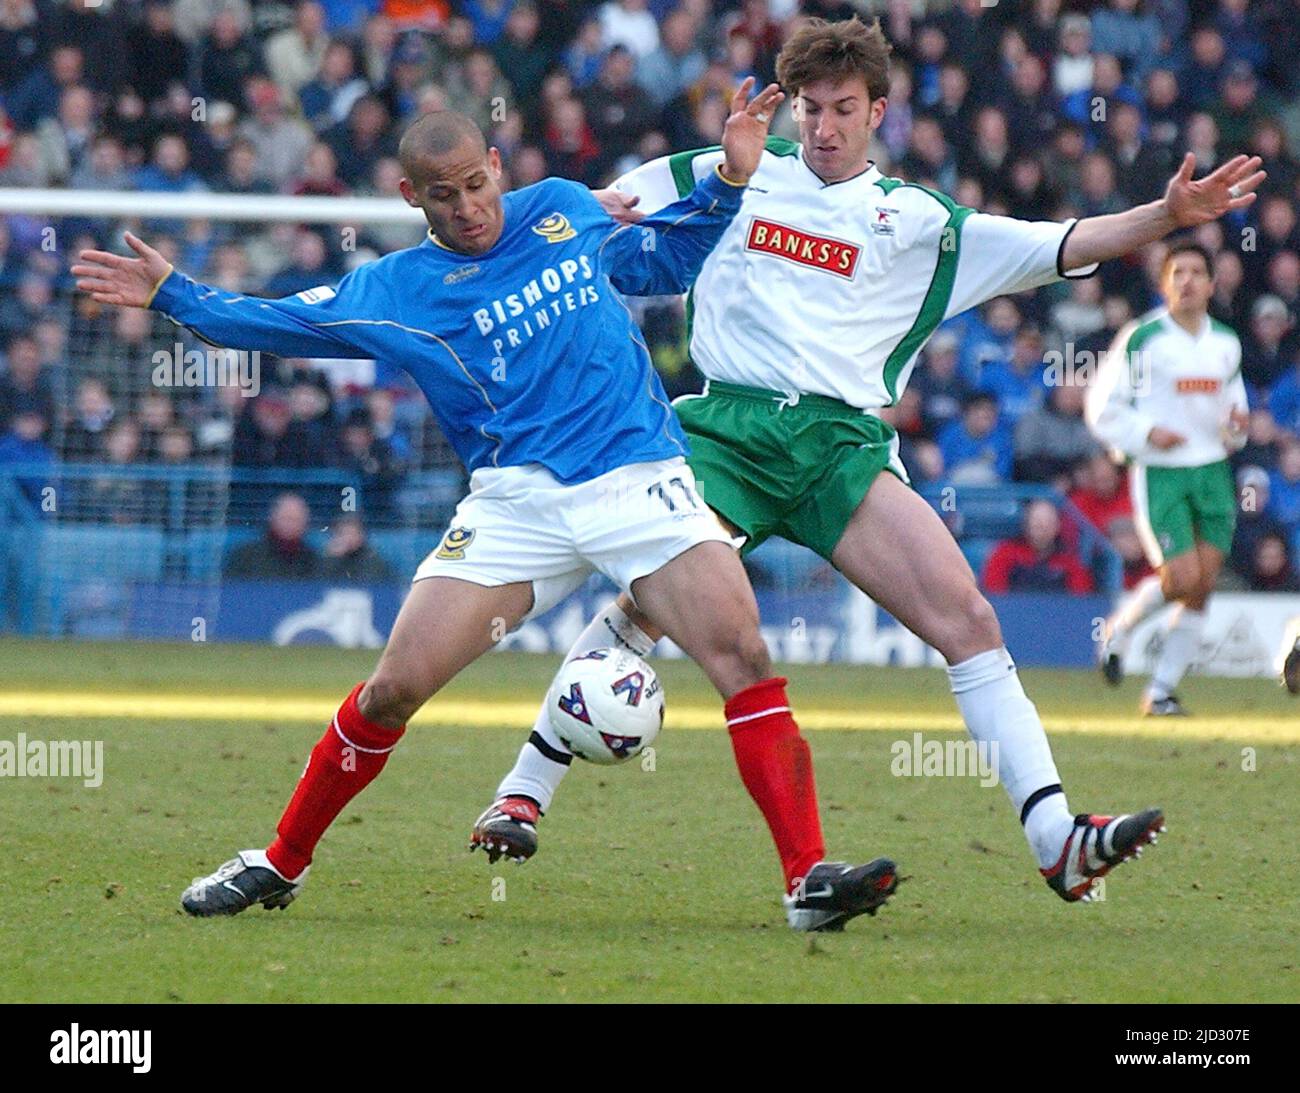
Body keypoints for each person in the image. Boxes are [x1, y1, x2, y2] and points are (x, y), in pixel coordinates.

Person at [476, 17, 1263, 907]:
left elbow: (1060, 243)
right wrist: (502, 221)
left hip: (839, 445)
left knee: (967, 618)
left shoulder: (919, 222)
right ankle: (522, 791)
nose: (821, 126)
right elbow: (599, 213)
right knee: (644, 608)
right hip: (721, 431)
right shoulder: (733, 170)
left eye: (842, 109)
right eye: (810, 109)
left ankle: (1059, 839)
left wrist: (1166, 215)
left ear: (877, 111)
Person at [74, 88, 900, 930]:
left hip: (636, 475)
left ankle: (807, 882)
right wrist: (176, 295)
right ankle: (280, 861)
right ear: (410, 198)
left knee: (743, 655)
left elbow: (669, 265)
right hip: (516, 503)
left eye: (477, 183)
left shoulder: (563, 211)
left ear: (499, 167)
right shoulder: (396, 289)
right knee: (393, 688)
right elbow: (281, 322)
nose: (469, 207)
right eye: (444, 194)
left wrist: (729, 175)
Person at [1087, 241, 1250, 715]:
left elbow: (1235, 407)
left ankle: (1161, 691)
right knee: (1180, 577)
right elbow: (1102, 405)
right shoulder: (1144, 339)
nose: (1188, 281)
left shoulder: (1226, 342)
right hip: (1162, 475)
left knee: (1202, 583)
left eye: (1198, 272)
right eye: (1177, 272)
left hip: (1213, 471)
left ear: (1213, 285)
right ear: (1163, 284)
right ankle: (1119, 630)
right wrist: (1145, 432)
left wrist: (1237, 425)